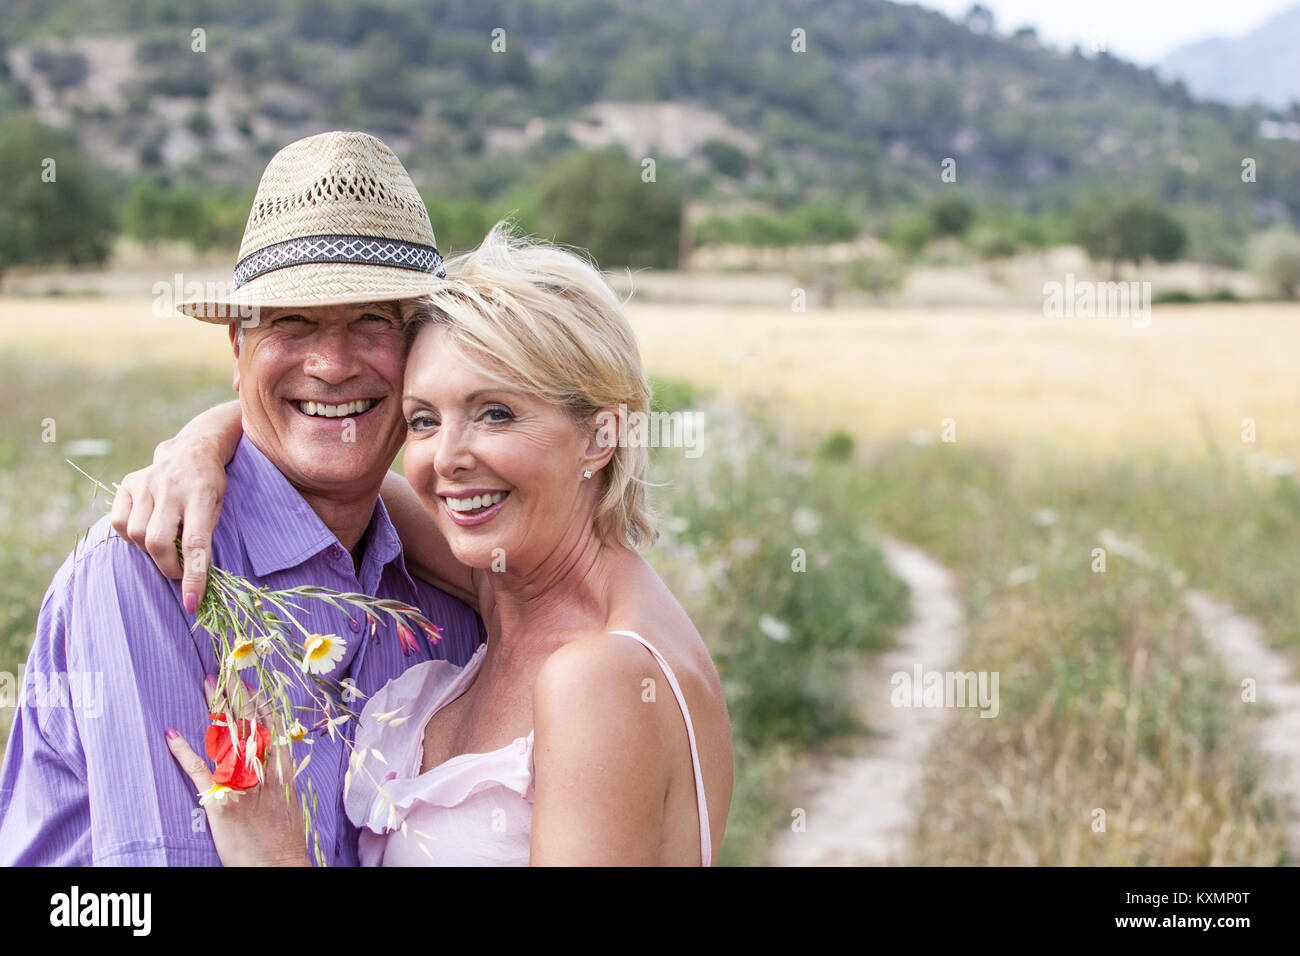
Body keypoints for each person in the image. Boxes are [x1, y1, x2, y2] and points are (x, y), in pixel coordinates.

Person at [117, 222, 735, 865]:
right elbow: (323, 467)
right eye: (424, 420)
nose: (447, 460)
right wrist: (198, 445)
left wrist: (277, 858)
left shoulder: (601, 678)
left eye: (496, 412)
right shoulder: (507, 580)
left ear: (600, 435)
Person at [0, 130, 485, 866]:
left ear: (422, 355)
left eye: (371, 322)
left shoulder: (453, 591)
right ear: (237, 353)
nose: (331, 363)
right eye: (292, 323)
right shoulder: (147, 571)